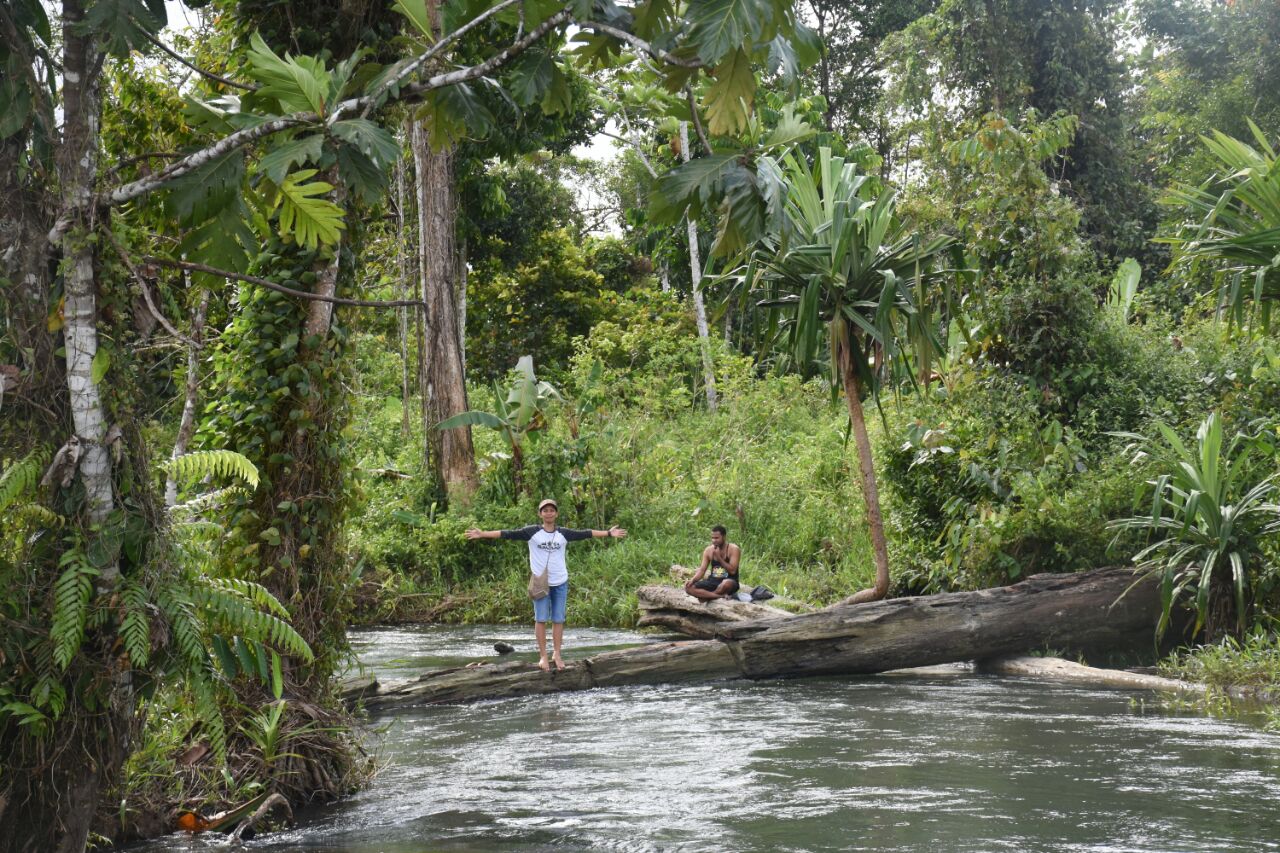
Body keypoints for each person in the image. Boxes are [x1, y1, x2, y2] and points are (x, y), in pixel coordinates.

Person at [466, 499, 626, 672]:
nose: (548, 513)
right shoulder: (531, 532)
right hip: (540, 583)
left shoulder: (564, 533)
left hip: (560, 582)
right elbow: (507, 534)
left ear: (556, 514)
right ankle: (543, 656)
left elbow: (586, 533)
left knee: (558, 619)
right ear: (540, 514)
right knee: (540, 619)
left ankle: (556, 654)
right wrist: (482, 534)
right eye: (545, 510)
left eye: (551, 510)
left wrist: (608, 533)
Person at [684, 524, 741, 601]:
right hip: (713, 581)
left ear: (724, 537)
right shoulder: (708, 550)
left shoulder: (733, 549)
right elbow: (702, 570)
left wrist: (719, 558)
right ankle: (719, 596)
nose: (714, 540)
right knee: (689, 588)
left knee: (726, 583)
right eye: (712, 538)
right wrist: (692, 580)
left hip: (729, 582)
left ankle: (707, 596)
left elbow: (733, 570)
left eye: (717, 538)